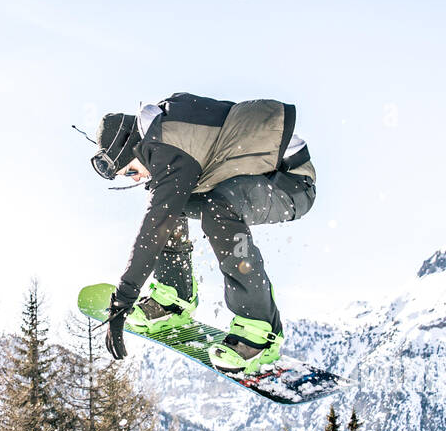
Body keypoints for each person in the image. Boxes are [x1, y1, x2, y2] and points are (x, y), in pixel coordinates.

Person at [90, 92, 316, 373]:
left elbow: (154, 226)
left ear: (133, 149)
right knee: (176, 204)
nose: (136, 177)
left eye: (130, 170)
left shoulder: (169, 149)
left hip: (291, 181)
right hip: (256, 176)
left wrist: (122, 300)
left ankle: (259, 328)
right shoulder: (162, 134)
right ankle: (173, 296)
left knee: (215, 210)